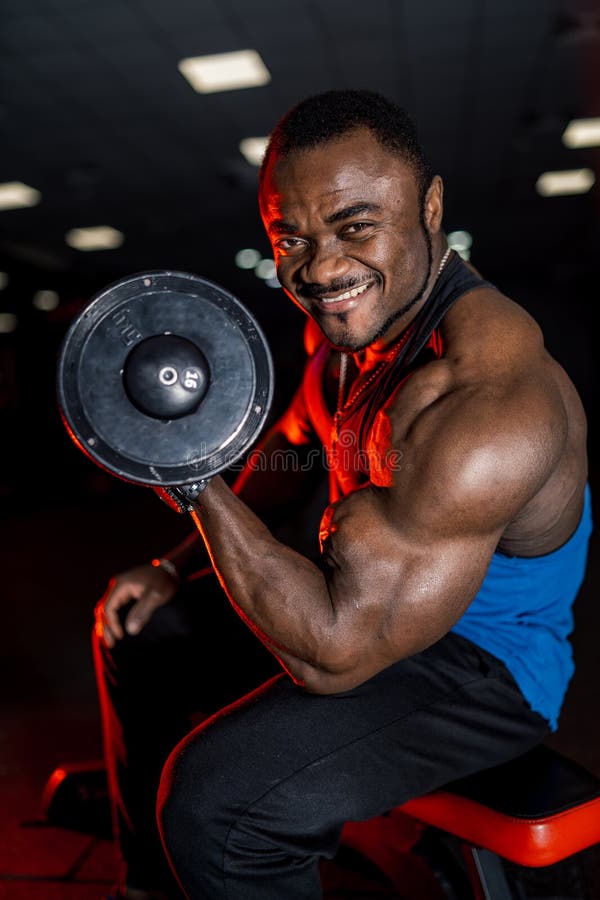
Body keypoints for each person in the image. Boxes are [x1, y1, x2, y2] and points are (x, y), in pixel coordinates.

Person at [93, 89, 593, 900]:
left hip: (486, 667)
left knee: (219, 805)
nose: (321, 270)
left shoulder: (486, 400)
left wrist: (189, 475)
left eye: (356, 227)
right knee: (138, 626)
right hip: (372, 597)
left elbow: (333, 653)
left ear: (430, 208)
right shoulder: (346, 334)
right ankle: (149, 885)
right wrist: (171, 563)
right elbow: (292, 444)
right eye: (291, 238)